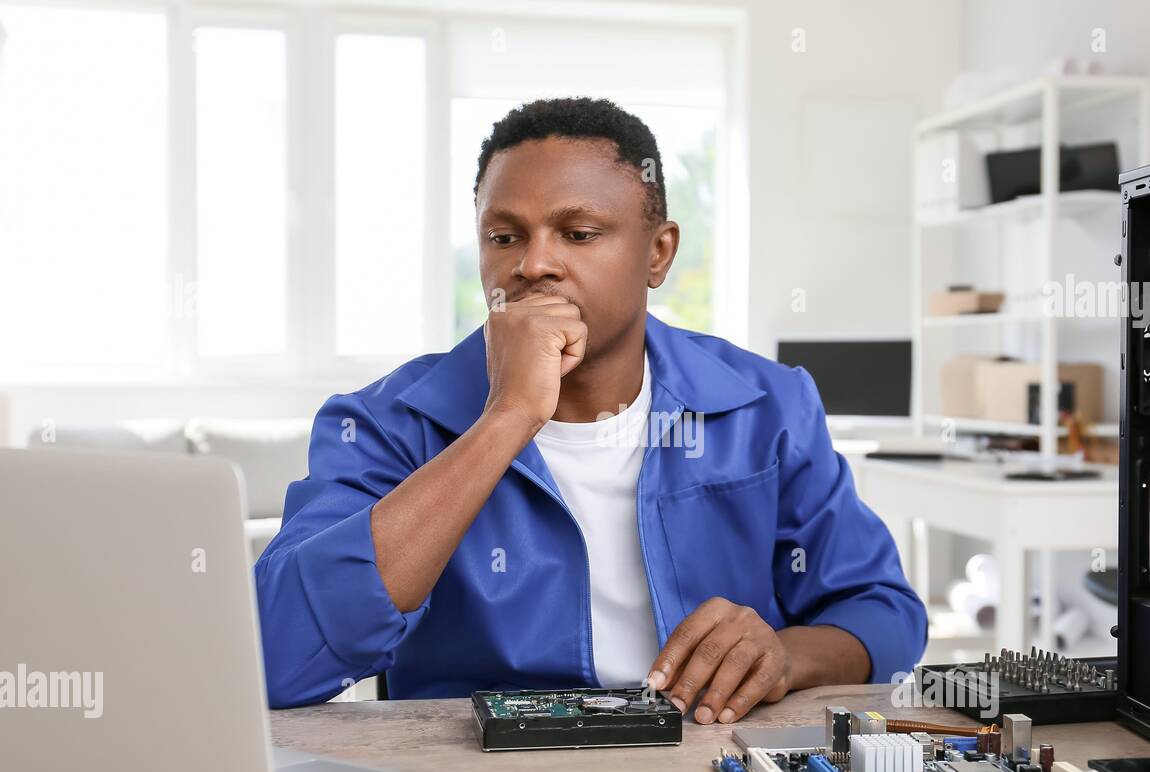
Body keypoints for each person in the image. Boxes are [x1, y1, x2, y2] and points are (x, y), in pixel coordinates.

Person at [254, 97, 927, 723]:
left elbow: (885, 614)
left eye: (577, 233)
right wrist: (507, 416)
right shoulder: (382, 424)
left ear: (658, 253)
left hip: (703, 764)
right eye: (504, 236)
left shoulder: (767, 405)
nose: (533, 264)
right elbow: (277, 657)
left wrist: (786, 656)